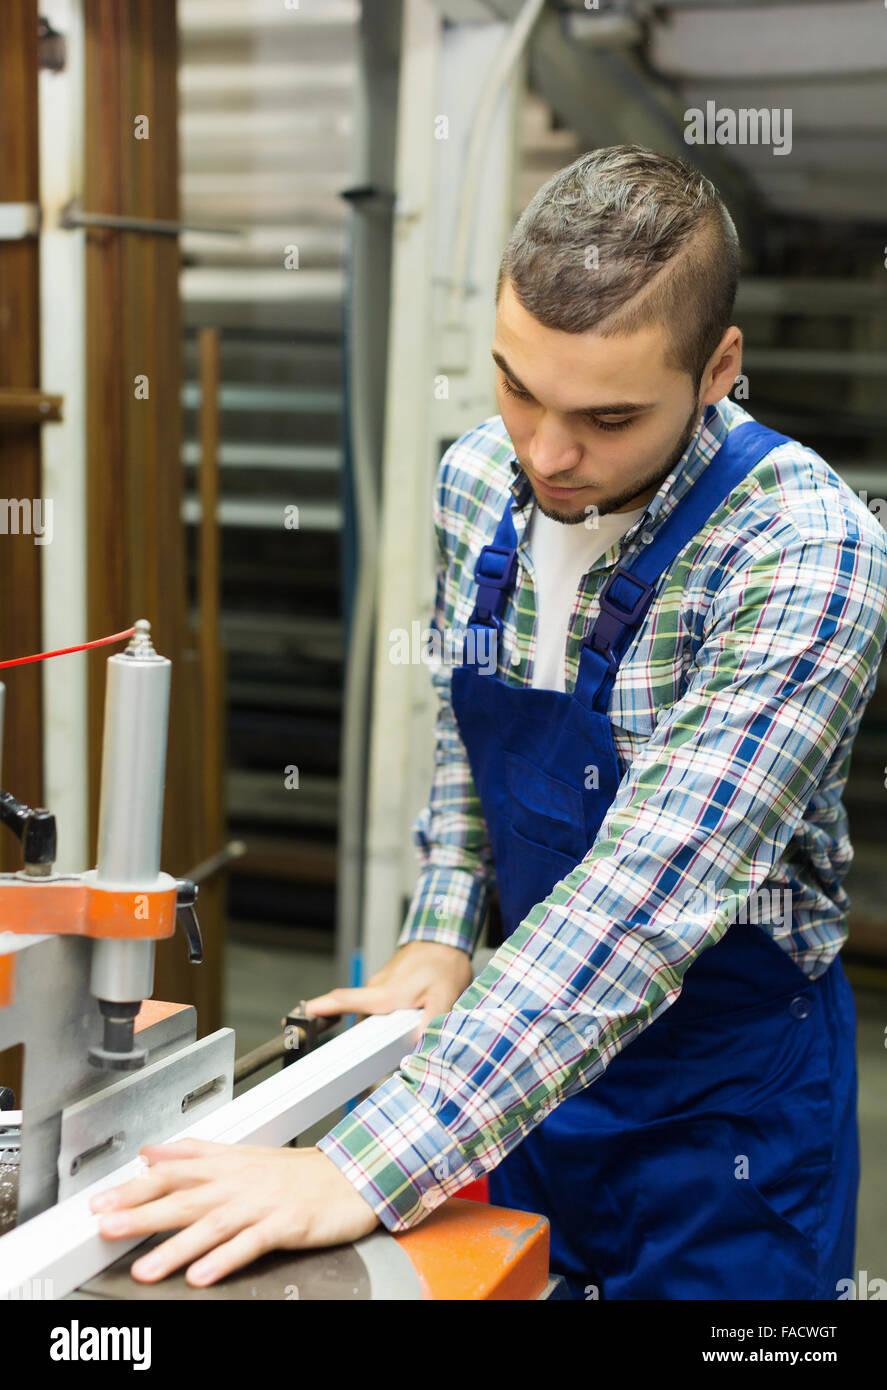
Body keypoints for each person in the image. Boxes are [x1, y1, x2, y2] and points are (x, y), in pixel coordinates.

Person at [92, 146, 887, 1299]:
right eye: (518, 387)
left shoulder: (802, 553)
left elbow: (643, 900)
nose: (547, 455)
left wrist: (359, 1165)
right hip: (518, 1067)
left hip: (727, 1103)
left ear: (719, 369)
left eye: (607, 417)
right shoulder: (477, 477)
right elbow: (472, 737)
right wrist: (441, 928)